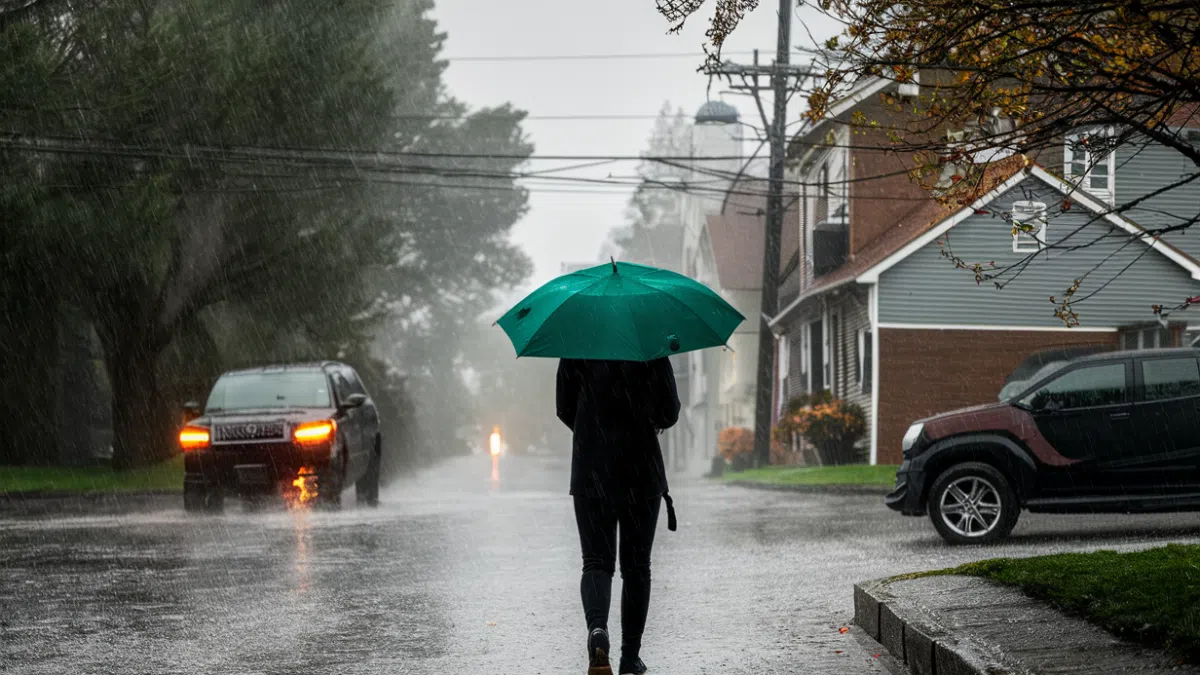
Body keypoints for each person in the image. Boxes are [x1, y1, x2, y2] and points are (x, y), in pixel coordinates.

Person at [556, 357, 680, 675]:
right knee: (636, 567)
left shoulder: (577, 343)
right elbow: (670, 411)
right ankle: (629, 656)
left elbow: (564, 407)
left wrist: (595, 431)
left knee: (596, 561)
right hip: (641, 469)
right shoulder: (649, 345)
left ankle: (598, 630)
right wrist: (644, 420)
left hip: (591, 469)